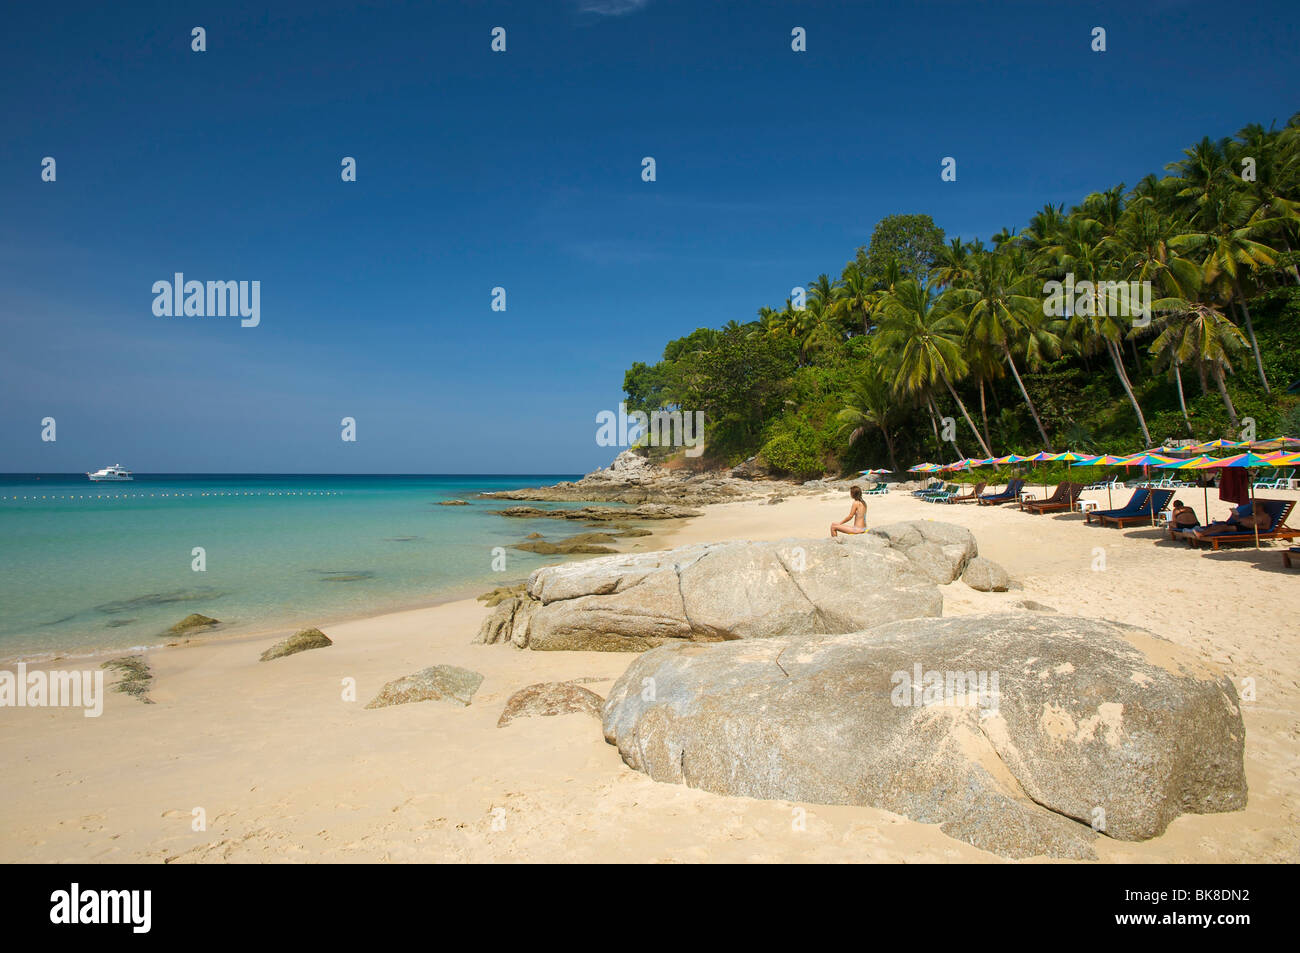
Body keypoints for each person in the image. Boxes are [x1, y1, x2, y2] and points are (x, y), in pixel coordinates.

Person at [1193, 502, 1270, 538]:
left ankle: (1202, 534)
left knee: (1223, 528)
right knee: (1220, 525)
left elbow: (1266, 527)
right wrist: (1234, 514)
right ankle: (1201, 532)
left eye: (1254, 507)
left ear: (1260, 508)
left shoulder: (1265, 517)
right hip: (1239, 524)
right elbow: (1238, 519)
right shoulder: (1253, 515)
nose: (1253, 509)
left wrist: (1253, 526)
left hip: (1245, 528)